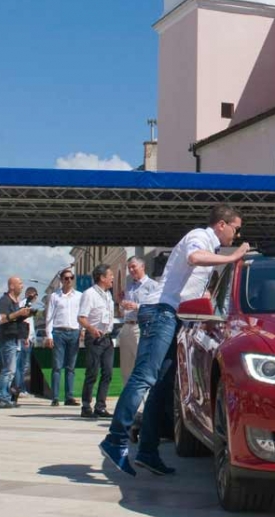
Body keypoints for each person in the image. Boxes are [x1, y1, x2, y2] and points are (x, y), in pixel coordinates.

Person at [101, 203, 250, 477]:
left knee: (162, 385)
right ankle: (115, 439)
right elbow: (194, 258)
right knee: (145, 377)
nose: (236, 236)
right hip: (160, 312)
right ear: (221, 224)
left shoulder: (211, 245)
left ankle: (147, 450)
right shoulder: (200, 237)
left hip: (172, 315)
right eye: (235, 229)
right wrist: (234, 257)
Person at [79, 264, 117, 419]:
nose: (113, 278)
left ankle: (100, 406)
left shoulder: (108, 294)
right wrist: (91, 329)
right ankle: (86, 405)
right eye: (110, 275)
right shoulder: (89, 294)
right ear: (102, 278)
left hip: (107, 338)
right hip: (94, 337)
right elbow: (81, 317)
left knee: (107, 372)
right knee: (92, 372)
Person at [118, 257, 161, 385]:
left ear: (142, 267)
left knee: (142, 365)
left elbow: (157, 307)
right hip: (127, 327)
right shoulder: (129, 287)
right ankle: (128, 400)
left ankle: (144, 401)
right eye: (129, 268)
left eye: (133, 266)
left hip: (141, 328)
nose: (131, 270)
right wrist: (122, 304)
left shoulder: (153, 286)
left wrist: (137, 306)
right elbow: (123, 310)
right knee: (126, 367)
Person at [44, 269, 82, 407]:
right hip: (59, 332)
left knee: (71, 367)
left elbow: (82, 314)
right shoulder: (55, 296)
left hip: (74, 332)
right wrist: (49, 335)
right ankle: (55, 397)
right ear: (61, 280)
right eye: (66, 278)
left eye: (71, 278)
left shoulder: (79, 296)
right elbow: (49, 316)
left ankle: (69, 397)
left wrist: (82, 330)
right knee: (57, 366)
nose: (69, 280)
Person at [0, 277, 33, 409]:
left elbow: (15, 317)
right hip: (8, 337)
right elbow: (1, 320)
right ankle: (1, 397)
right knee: (8, 369)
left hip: (16, 337)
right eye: (20, 284)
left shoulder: (15, 301)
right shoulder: (4, 301)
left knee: (12, 370)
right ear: (12, 286)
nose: (22, 286)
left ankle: (6, 396)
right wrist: (18, 313)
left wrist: (24, 315)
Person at [13, 287, 38, 405]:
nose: (35, 298)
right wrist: (27, 338)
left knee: (23, 366)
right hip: (25, 339)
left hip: (28, 338)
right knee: (22, 366)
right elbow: (25, 323)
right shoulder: (24, 304)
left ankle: (19, 388)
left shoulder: (27, 305)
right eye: (34, 296)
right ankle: (20, 388)